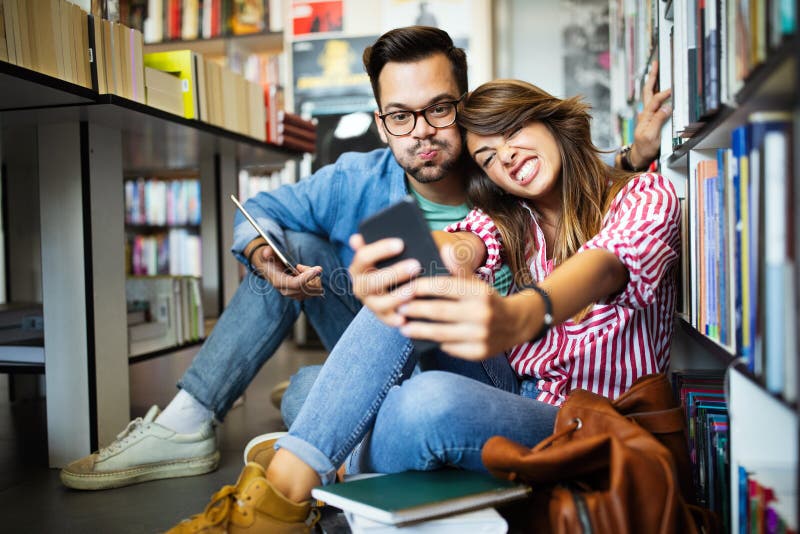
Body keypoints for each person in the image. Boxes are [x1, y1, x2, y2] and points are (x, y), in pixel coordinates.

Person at [60, 26, 670, 491]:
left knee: (317, 392)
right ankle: (192, 420)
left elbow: (571, 181)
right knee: (307, 256)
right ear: (382, 123)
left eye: (439, 109)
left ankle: (317, 436)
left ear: (463, 107)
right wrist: (275, 256)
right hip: (389, 332)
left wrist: (634, 154)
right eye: (400, 116)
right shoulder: (360, 179)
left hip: (493, 365)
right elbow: (462, 241)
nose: (422, 130)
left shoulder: (504, 178)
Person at [164, 77, 680, 533]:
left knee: (411, 403)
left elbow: (604, 266)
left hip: (584, 421)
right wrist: (414, 260)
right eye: (487, 157)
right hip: (509, 392)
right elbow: (465, 244)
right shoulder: (513, 217)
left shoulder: (645, 196)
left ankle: (302, 475)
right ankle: (299, 481)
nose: (505, 157)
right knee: (321, 376)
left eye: (512, 132)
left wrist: (523, 313)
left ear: (550, 120)